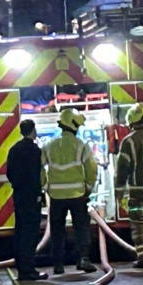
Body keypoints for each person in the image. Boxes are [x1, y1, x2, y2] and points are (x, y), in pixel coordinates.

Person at [41, 108, 98, 275]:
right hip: (77, 195)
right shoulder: (81, 145)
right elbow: (91, 169)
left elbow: (39, 168)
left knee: (57, 230)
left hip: (56, 196)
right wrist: (88, 187)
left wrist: (45, 186)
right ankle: (83, 260)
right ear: (74, 126)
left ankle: (58, 264)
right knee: (81, 228)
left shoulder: (49, 146)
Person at [115, 104, 143, 268]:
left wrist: (119, 192)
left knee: (140, 225)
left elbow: (122, 169)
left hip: (138, 193)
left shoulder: (129, 141)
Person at [7, 119, 47, 281]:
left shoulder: (14, 150)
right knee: (30, 233)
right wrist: (39, 193)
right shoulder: (35, 151)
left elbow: (10, 173)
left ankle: (22, 267)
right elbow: (38, 175)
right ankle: (29, 269)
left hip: (19, 195)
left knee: (20, 230)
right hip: (31, 196)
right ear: (33, 131)